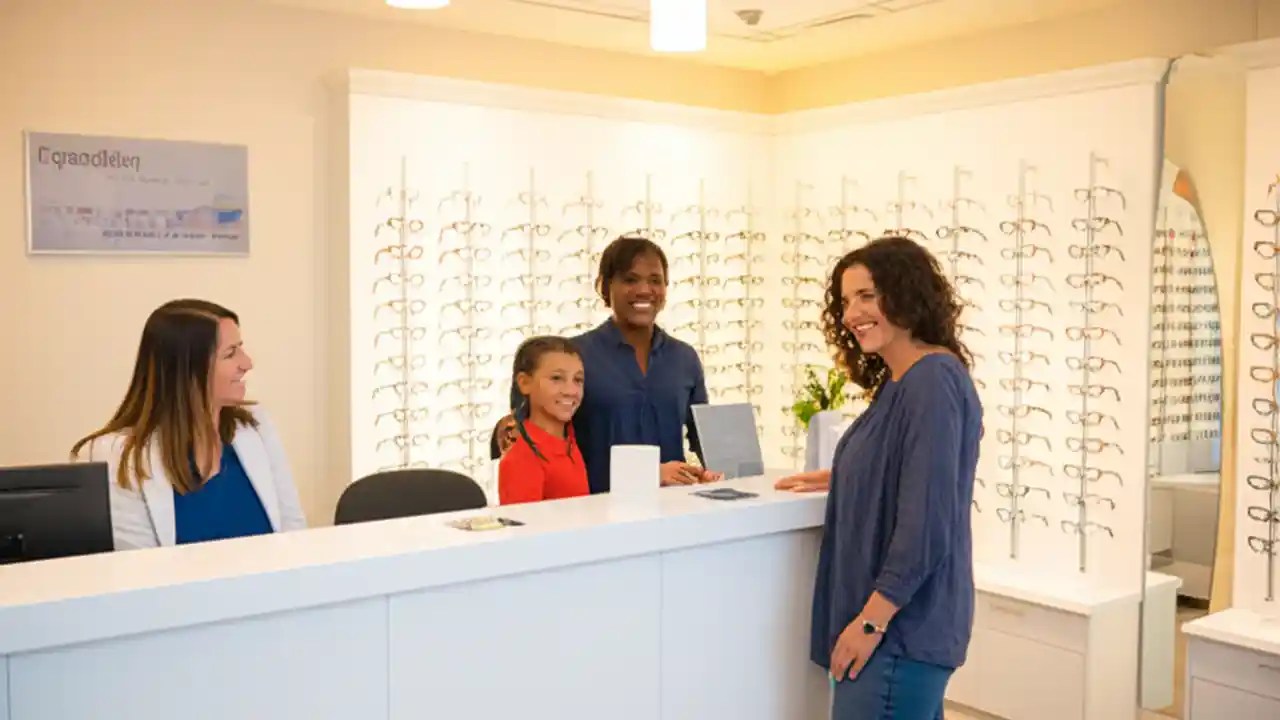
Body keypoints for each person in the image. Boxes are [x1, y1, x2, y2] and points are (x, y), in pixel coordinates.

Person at [808, 236, 982, 719]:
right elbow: (908, 470)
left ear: (906, 294)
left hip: (897, 633)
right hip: (894, 633)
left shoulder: (931, 382)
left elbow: (927, 524)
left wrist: (870, 624)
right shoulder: (899, 382)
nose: (851, 314)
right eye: (845, 301)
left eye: (867, 295)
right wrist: (840, 475)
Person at [70, 299, 307, 550]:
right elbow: (137, 572)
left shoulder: (256, 428)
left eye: (241, 348)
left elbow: (294, 533)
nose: (247, 363)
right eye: (230, 354)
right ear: (187, 372)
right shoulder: (120, 457)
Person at [508, 235, 722, 493]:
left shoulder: (685, 358)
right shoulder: (574, 358)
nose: (644, 290)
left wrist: (714, 474)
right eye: (630, 280)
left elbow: (705, 441)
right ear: (604, 286)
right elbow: (537, 435)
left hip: (674, 514)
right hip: (595, 514)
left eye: (655, 280)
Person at [499, 336, 589, 505]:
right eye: (556, 378)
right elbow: (525, 529)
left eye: (578, 380)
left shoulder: (569, 440)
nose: (571, 391)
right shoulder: (521, 458)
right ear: (525, 383)